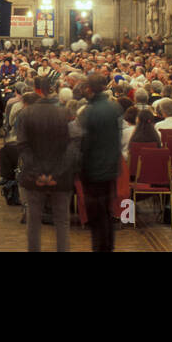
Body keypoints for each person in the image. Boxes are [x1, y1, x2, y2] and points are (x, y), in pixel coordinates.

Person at [17, 75, 75, 251]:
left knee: (34, 221)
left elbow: (24, 147)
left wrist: (39, 173)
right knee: (62, 222)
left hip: (35, 176)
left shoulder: (26, 113)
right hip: (60, 176)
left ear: (36, 89)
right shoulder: (64, 113)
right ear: (52, 90)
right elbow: (70, 148)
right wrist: (55, 174)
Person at [79, 72, 122, 252]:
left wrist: (81, 167)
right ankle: (108, 247)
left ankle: (99, 248)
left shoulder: (90, 112)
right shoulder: (114, 108)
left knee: (96, 216)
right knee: (106, 212)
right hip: (111, 167)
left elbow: (86, 144)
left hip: (94, 170)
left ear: (89, 89)